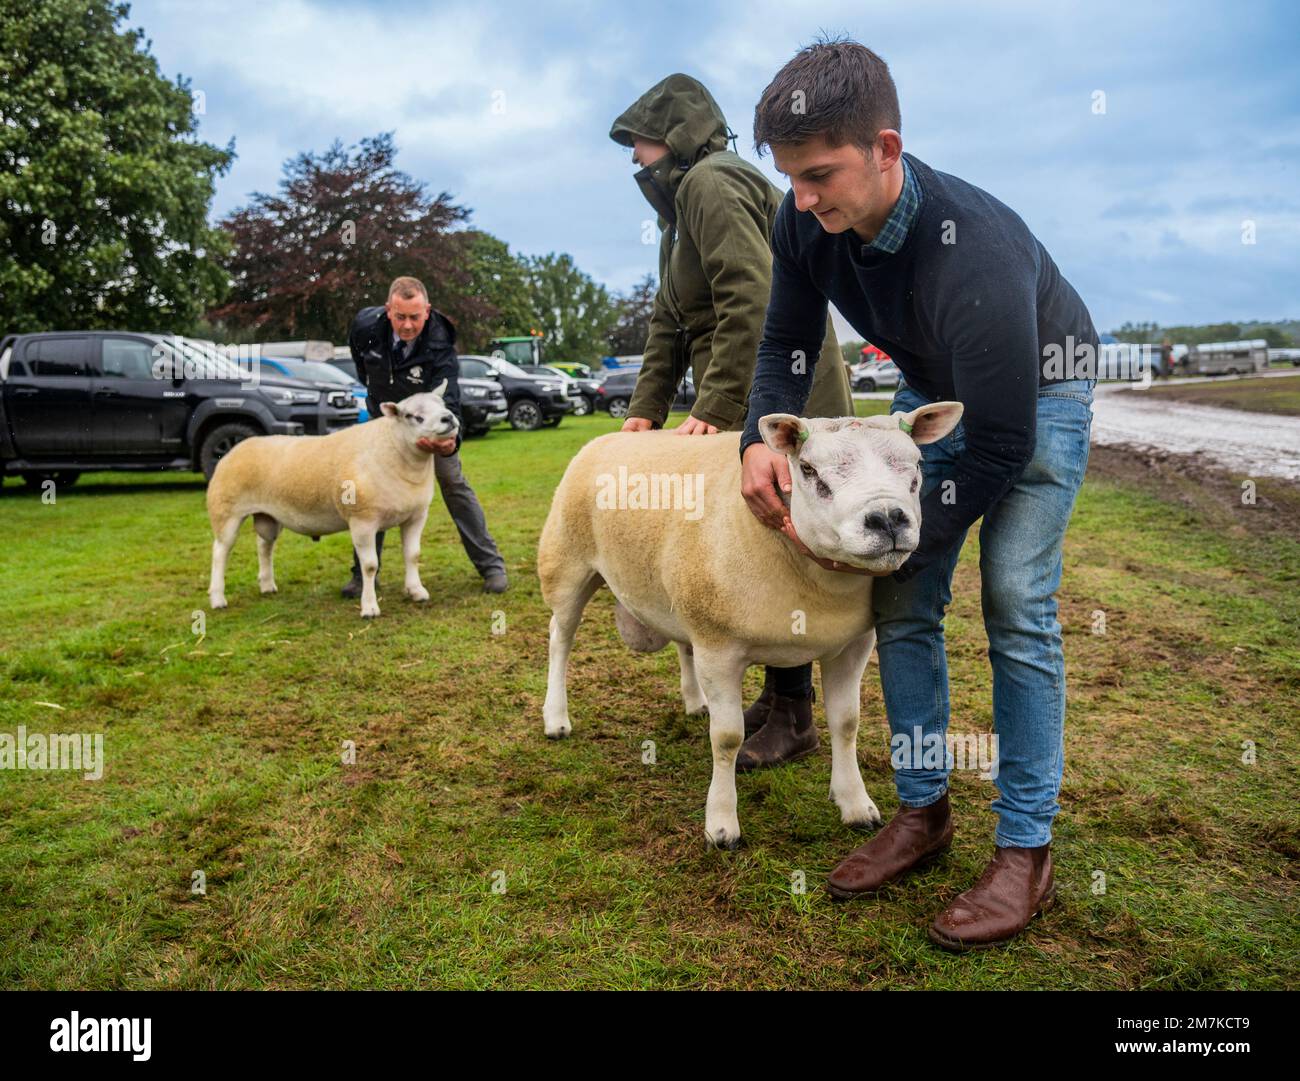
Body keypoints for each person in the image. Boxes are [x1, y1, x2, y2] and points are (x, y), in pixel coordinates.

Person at [740, 40, 1098, 950]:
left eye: (821, 174)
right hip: (928, 383)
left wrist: (908, 532)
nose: (804, 198)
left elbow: (1003, 440)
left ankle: (1025, 849)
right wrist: (754, 439)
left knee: (1015, 601)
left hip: (1039, 388)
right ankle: (923, 808)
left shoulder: (972, 251)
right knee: (902, 602)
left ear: (887, 149)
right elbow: (785, 339)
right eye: (791, 178)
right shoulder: (802, 219)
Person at [609, 73, 853, 770]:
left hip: (779, 396)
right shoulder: (677, 213)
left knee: (787, 542)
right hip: (744, 395)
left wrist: (715, 408)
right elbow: (670, 319)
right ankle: (781, 701)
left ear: (677, 136)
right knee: (758, 540)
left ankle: (797, 712)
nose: (635, 159)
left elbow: (755, 297)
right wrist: (645, 407)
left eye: (642, 143)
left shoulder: (711, 184)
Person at [342, 276, 509, 597]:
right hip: (387, 419)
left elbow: (452, 399)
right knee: (370, 491)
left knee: (451, 479)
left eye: (415, 317)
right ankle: (363, 576)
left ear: (427, 311)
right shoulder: (364, 328)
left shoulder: (440, 341)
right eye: (400, 316)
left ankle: (491, 566)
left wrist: (449, 443)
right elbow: (364, 372)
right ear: (388, 310)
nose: (407, 325)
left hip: (428, 421)